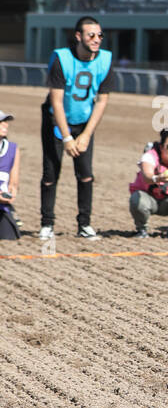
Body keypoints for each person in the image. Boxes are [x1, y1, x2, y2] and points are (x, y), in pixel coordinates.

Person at [40, 16, 114, 240]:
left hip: (84, 121)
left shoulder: (105, 60)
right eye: (91, 35)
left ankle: (84, 224)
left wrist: (85, 135)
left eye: (100, 35)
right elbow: (57, 102)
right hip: (56, 121)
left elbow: (101, 101)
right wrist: (66, 137)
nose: (96, 39)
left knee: (85, 175)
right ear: (78, 36)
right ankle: (47, 224)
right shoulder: (62, 59)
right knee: (51, 173)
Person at [0, 107, 20, 240]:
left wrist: (11, 193)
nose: (5, 125)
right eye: (1, 122)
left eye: (5, 121)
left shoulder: (13, 149)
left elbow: (13, 182)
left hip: (1, 204)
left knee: (10, 237)